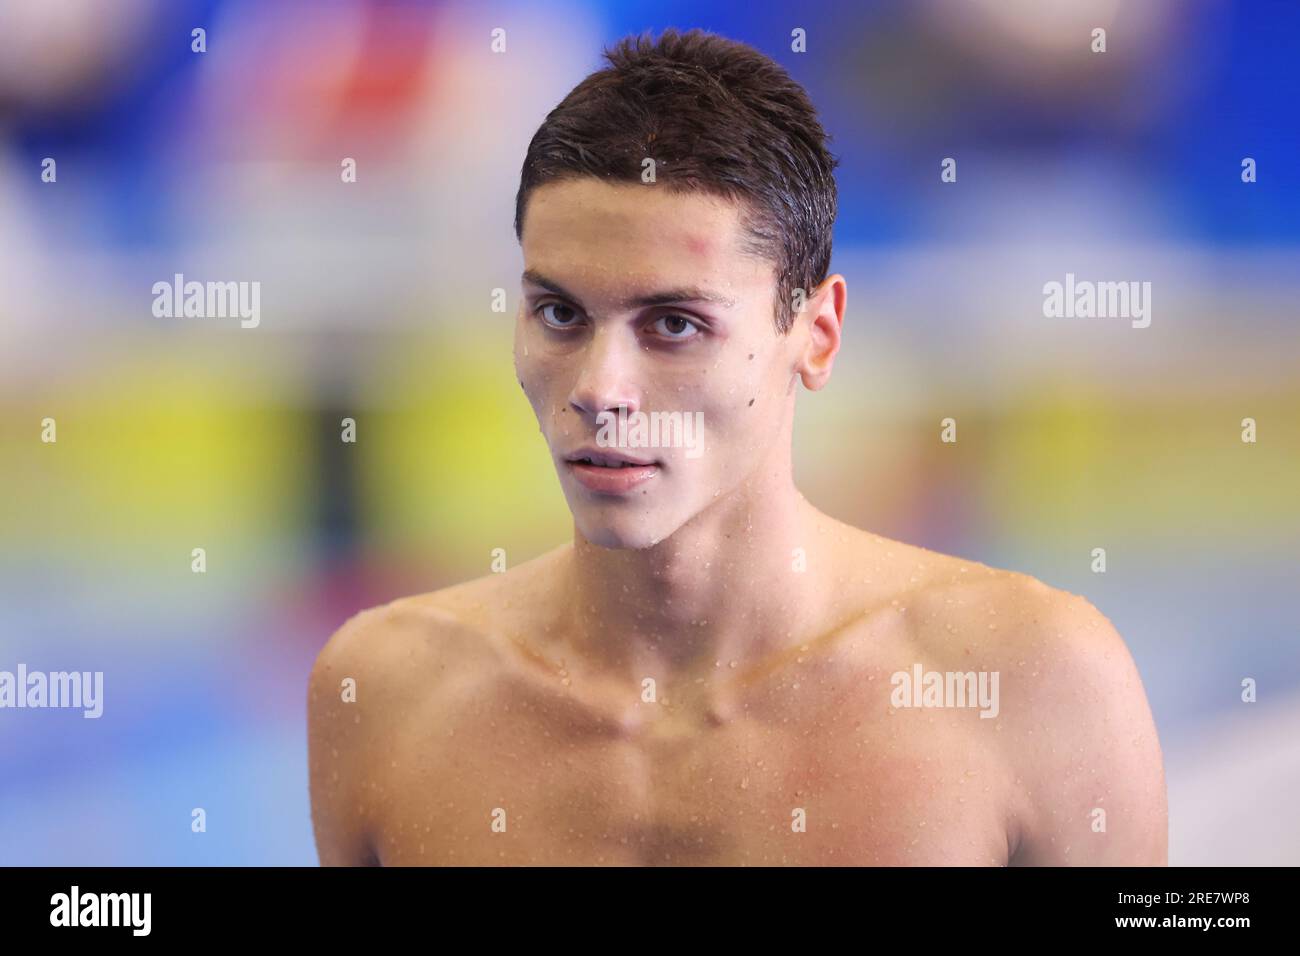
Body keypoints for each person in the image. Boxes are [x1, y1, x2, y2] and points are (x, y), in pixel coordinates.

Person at [308, 28, 1167, 866]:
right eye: (560, 314)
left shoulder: (1035, 682)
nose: (600, 389)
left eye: (675, 324)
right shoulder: (384, 693)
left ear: (817, 336)